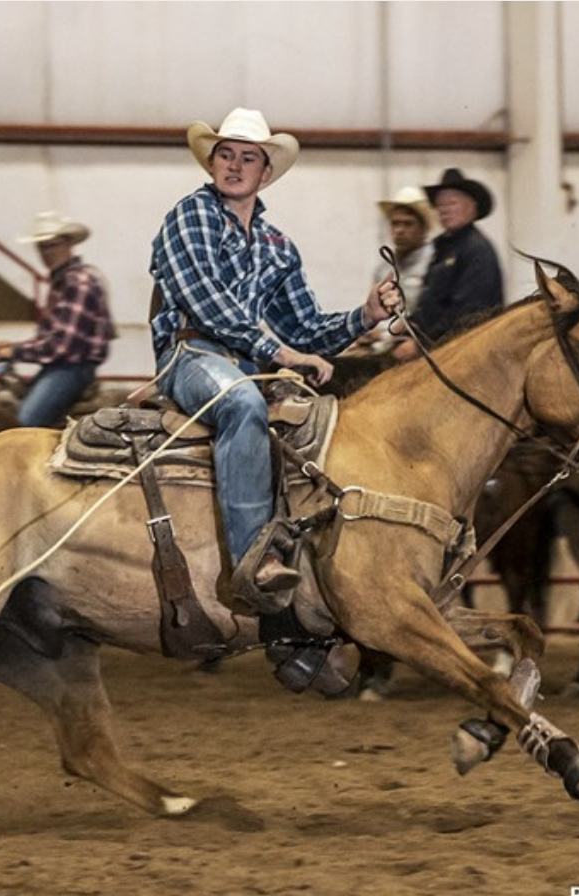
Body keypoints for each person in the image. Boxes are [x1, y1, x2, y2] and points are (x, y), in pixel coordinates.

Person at [149, 107, 400, 668]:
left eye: (248, 158)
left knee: (321, 435)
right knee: (239, 403)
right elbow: (211, 307)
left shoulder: (277, 247)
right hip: (192, 355)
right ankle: (251, 564)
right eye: (226, 155)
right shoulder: (188, 218)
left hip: (248, 363)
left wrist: (365, 314)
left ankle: (314, 604)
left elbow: (306, 327)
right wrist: (283, 355)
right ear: (211, 162)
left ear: (265, 172)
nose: (235, 166)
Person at [0, 212, 116, 427]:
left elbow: (62, 346)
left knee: (21, 427)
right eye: (42, 247)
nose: (47, 253)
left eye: (52, 245)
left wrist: (14, 352)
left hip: (71, 369)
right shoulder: (63, 282)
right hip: (60, 367)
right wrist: (14, 347)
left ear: (69, 244)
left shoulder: (78, 282)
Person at [401, 167, 505, 359]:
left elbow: (468, 312)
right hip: (444, 349)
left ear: (471, 207)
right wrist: (407, 328)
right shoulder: (442, 248)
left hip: (467, 352)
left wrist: (420, 344)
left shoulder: (477, 250)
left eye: (452, 202)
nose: (445, 209)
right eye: (440, 204)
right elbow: (431, 302)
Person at [358, 186, 436, 355]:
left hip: (419, 349)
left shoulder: (433, 264)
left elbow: (429, 314)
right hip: (383, 347)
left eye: (408, 224)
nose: (399, 230)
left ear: (423, 228)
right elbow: (372, 309)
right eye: (395, 223)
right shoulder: (384, 268)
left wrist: (387, 334)